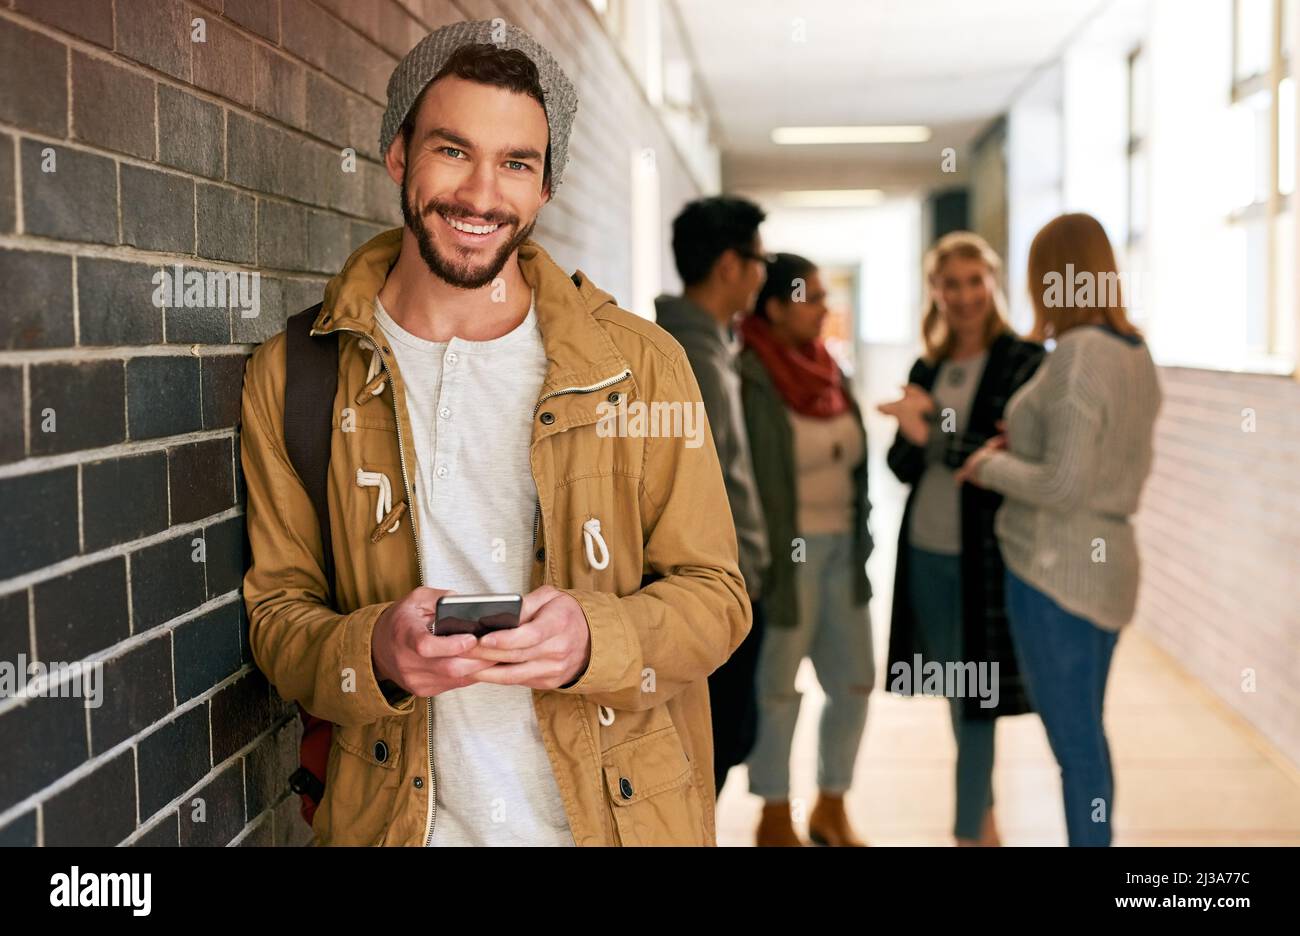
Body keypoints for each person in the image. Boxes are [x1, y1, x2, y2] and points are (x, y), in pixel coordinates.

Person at [240, 21, 750, 847]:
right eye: (453, 151)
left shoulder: (641, 368)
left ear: (545, 187)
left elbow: (716, 599)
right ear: (398, 154)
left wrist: (596, 637)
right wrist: (375, 650)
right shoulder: (297, 376)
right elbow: (278, 618)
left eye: (517, 163)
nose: (482, 194)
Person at [956, 212, 1162, 847]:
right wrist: (1021, 443)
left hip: (1056, 573)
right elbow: (1089, 459)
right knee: (1086, 736)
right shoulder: (1134, 351)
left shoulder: (1077, 355)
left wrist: (989, 465)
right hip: (1109, 566)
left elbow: (1062, 485)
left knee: (1076, 747)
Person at [878, 231, 1044, 846]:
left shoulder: (1024, 363)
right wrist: (909, 427)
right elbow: (901, 465)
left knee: (976, 696)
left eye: (976, 280)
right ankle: (986, 818)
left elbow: (1018, 463)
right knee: (957, 691)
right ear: (935, 293)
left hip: (986, 559)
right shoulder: (929, 365)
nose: (965, 294)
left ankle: (967, 831)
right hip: (927, 550)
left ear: (992, 284)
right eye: (952, 283)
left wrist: (931, 436)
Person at [740, 253, 874, 847]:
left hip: (844, 553)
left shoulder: (830, 370)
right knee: (777, 689)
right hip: (784, 560)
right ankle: (773, 815)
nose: (824, 308)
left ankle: (832, 803)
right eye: (811, 297)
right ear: (774, 307)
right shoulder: (748, 375)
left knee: (854, 681)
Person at [655, 196, 772, 796]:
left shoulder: (713, 345)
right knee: (710, 757)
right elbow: (704, 490)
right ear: (730, 265)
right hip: (715, 589)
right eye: (759, 260)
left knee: (727, 743)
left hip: (733, 583)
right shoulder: (687, 355)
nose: (763, 274)